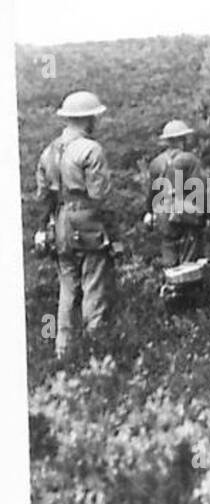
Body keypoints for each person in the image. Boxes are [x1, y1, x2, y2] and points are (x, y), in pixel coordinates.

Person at [34, 90, 118, 359]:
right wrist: (114, 233)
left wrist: (43, 228)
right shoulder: (91, 149)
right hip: (88, 221)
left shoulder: (48, 152)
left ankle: (63, 350)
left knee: (67, 287)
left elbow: (43, 196)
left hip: (60, 223)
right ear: (89, 118)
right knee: (94, 282)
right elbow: (99, 196)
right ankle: (97, 349)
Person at [146, 119, 207, 267]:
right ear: (183, 139)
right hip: (185, 215)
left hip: (163, 216)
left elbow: (152, 193)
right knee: (190, 264)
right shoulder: (190, 160)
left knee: (169, 261)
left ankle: (170, 288)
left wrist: (149, 212)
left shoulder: (156, 162)